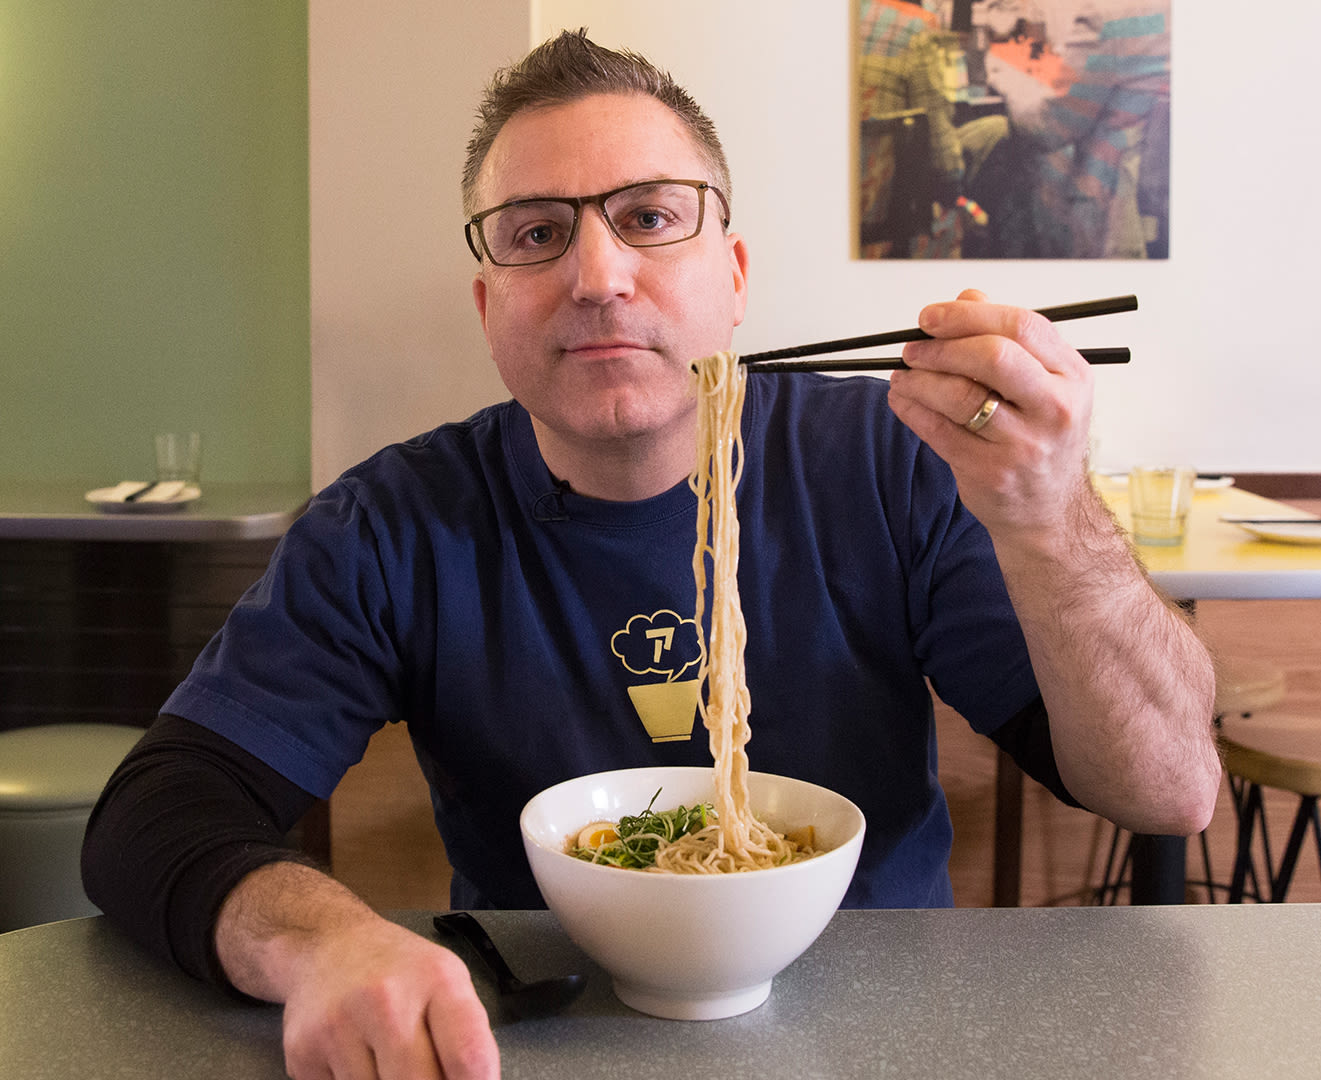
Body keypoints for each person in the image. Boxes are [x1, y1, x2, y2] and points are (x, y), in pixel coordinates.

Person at [82, 29, 1219, 1080]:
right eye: (538, 233)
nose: (597, 275)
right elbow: (160, 811)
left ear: (731, 272)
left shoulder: (890, 463)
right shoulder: (392, 524)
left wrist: (1051, 517)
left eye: (650, 216)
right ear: (490, 307)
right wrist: (323, 944)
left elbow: (1169, 790)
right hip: (542, 1030)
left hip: (876, 1026)